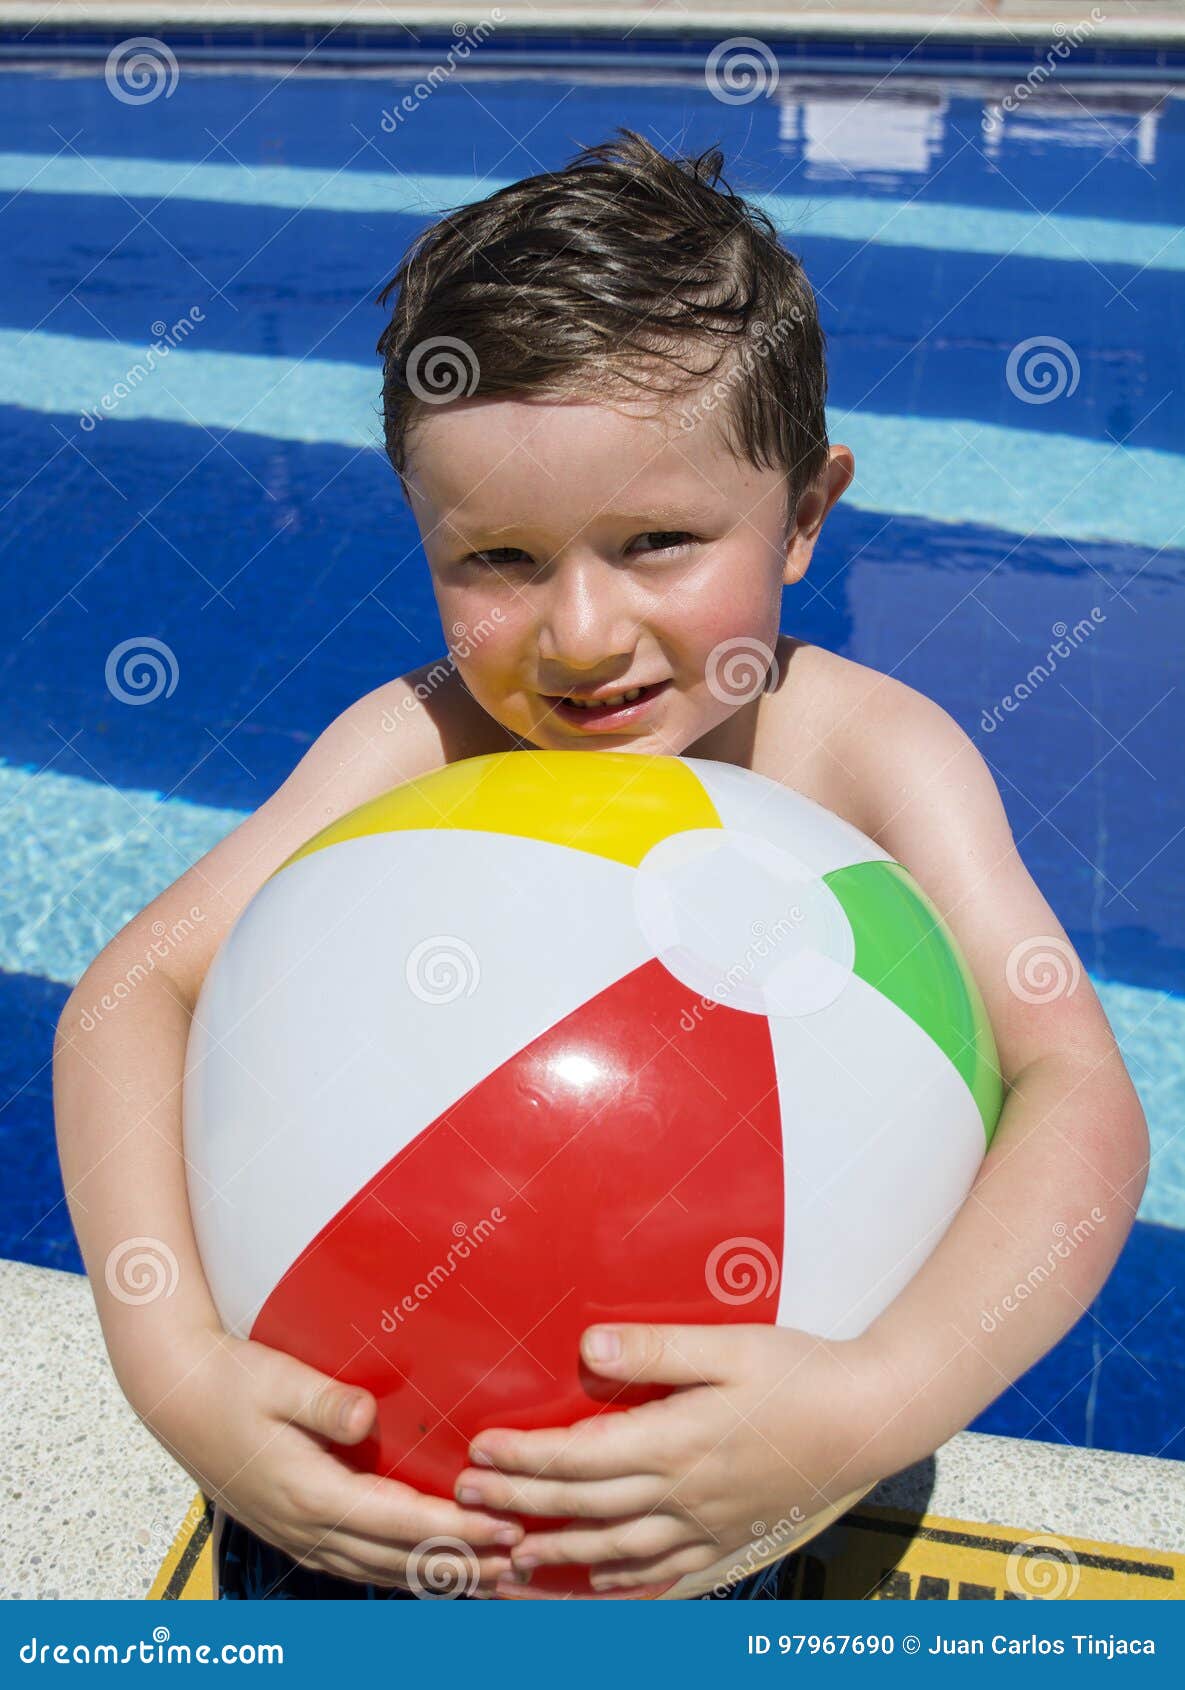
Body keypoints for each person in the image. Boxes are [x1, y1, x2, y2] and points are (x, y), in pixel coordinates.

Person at [54, 130, 1147, 1602]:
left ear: (806, 513)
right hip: (346, 1504)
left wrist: (867, 1400)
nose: (578, 634)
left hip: (717, 1508)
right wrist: (178, 1371)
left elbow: (1073, 1089)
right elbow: (131, 991)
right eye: (497, 560)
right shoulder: (418, 742)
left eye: (656, 541)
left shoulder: (871, 758)